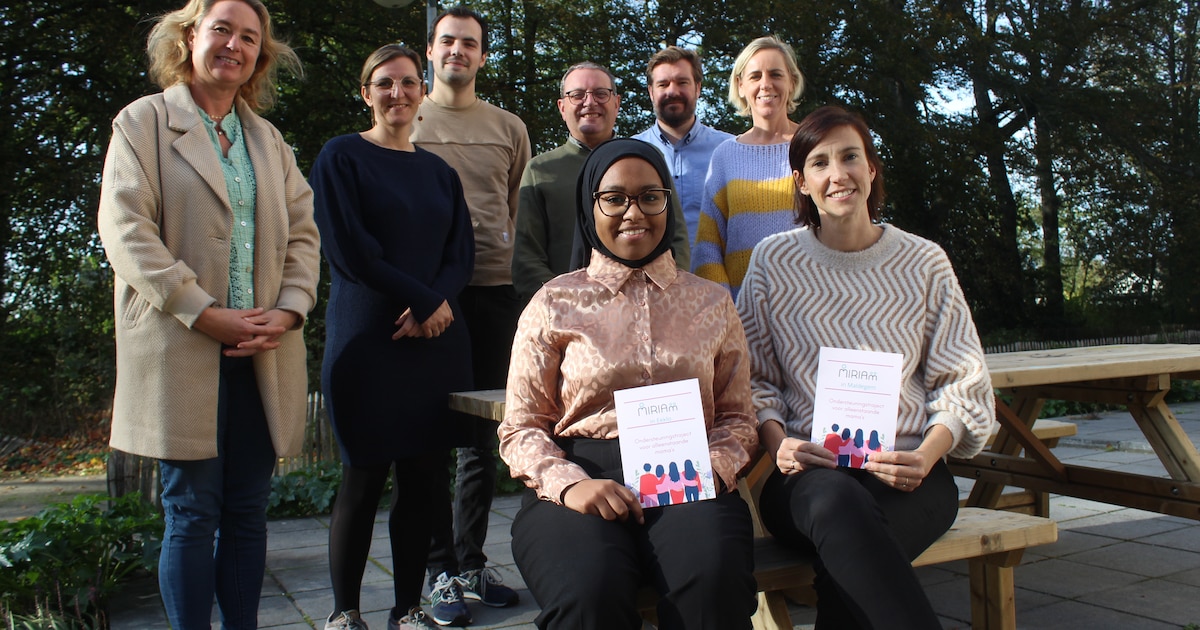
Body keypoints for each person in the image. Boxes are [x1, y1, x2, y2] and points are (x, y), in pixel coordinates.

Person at [96, 0, 320, 627]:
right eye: (223, 29)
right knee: (192, 510)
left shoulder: (268, 141)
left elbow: (304, 235)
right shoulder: (142, 123)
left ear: (259, 56)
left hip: (262, 351)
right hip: (181, 346)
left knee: (247, 510)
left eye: (250, 38)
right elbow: (125, 230)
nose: (236, 45)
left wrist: (291, 310)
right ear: (190, 36)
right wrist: (202, 311)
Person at [738, 105, 996, 629]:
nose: (839, 174)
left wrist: (926, 455)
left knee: (850, 567)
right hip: (811, 479)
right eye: (820, 162)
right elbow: (751, 379)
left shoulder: (924, 262)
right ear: (801, 182)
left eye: (850, 157)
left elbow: (963, 382)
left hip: (910, 476)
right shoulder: (773, 262)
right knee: (839, 510)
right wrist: (776, 442)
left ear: (871, 169)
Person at [499, 138, 759, 630]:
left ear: (668, 203)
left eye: (649, 196)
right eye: (614, 198)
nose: (633, 212)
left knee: (711, 582)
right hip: (581, 477)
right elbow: (521, 428)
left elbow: (737, 418)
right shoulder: (555, 303)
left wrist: (711, 471)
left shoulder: (711, 303)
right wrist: (568, 485)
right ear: (590, 206)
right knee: (588, 594)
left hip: (687, 479)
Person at [310, 44, 474, 630]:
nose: (398, 93)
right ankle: (343, 613)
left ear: (422, 93)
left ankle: (407, 610)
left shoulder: (439, 173)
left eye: (409, 83)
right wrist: (423, 298)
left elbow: (461, 256)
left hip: (433, 345)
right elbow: (352, 251)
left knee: (422, 483)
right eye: (385, 83)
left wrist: (437, 303)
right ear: (366, 92)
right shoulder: (340, 158)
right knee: (362, 479)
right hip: (368, 343)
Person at [410, 5, 528, 618]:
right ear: (431, 50)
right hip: (427, 299)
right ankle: (438, 573)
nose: (458, 50)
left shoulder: (509, 128)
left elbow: (512, 213)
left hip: (492, 294)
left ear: (483, 56)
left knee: (483, 440)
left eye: (471, 43)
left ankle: (472, 564)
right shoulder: (407, 116)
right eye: (448, 41)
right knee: (431, 435)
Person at [512, 63, 690, 300]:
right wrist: (569, 302)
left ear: (616, 103)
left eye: (600, 94)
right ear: (562, 107)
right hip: (567, 311)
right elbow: (527, 259)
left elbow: (675, 239)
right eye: (577, 95)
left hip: (649, 305)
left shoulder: (645, 161)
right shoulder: (540, 171)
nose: (590, 102)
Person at [693, 36, 806, 300]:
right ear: (741, 86)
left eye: (776, 74)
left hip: (811, 314)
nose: (766, 84)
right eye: (755, 76)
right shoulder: (725, 155)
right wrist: (728, 311)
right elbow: (708, 247)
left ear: (791, 81)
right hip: (743, 318)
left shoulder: (813, 147)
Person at [632, 46, 734, 245]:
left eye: (682, 82)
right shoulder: (631, 153)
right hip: (651, 275)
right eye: (663, 84)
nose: (673, 91)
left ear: (697, 88)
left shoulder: (729, 149)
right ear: (651, 92)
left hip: (714, 274)